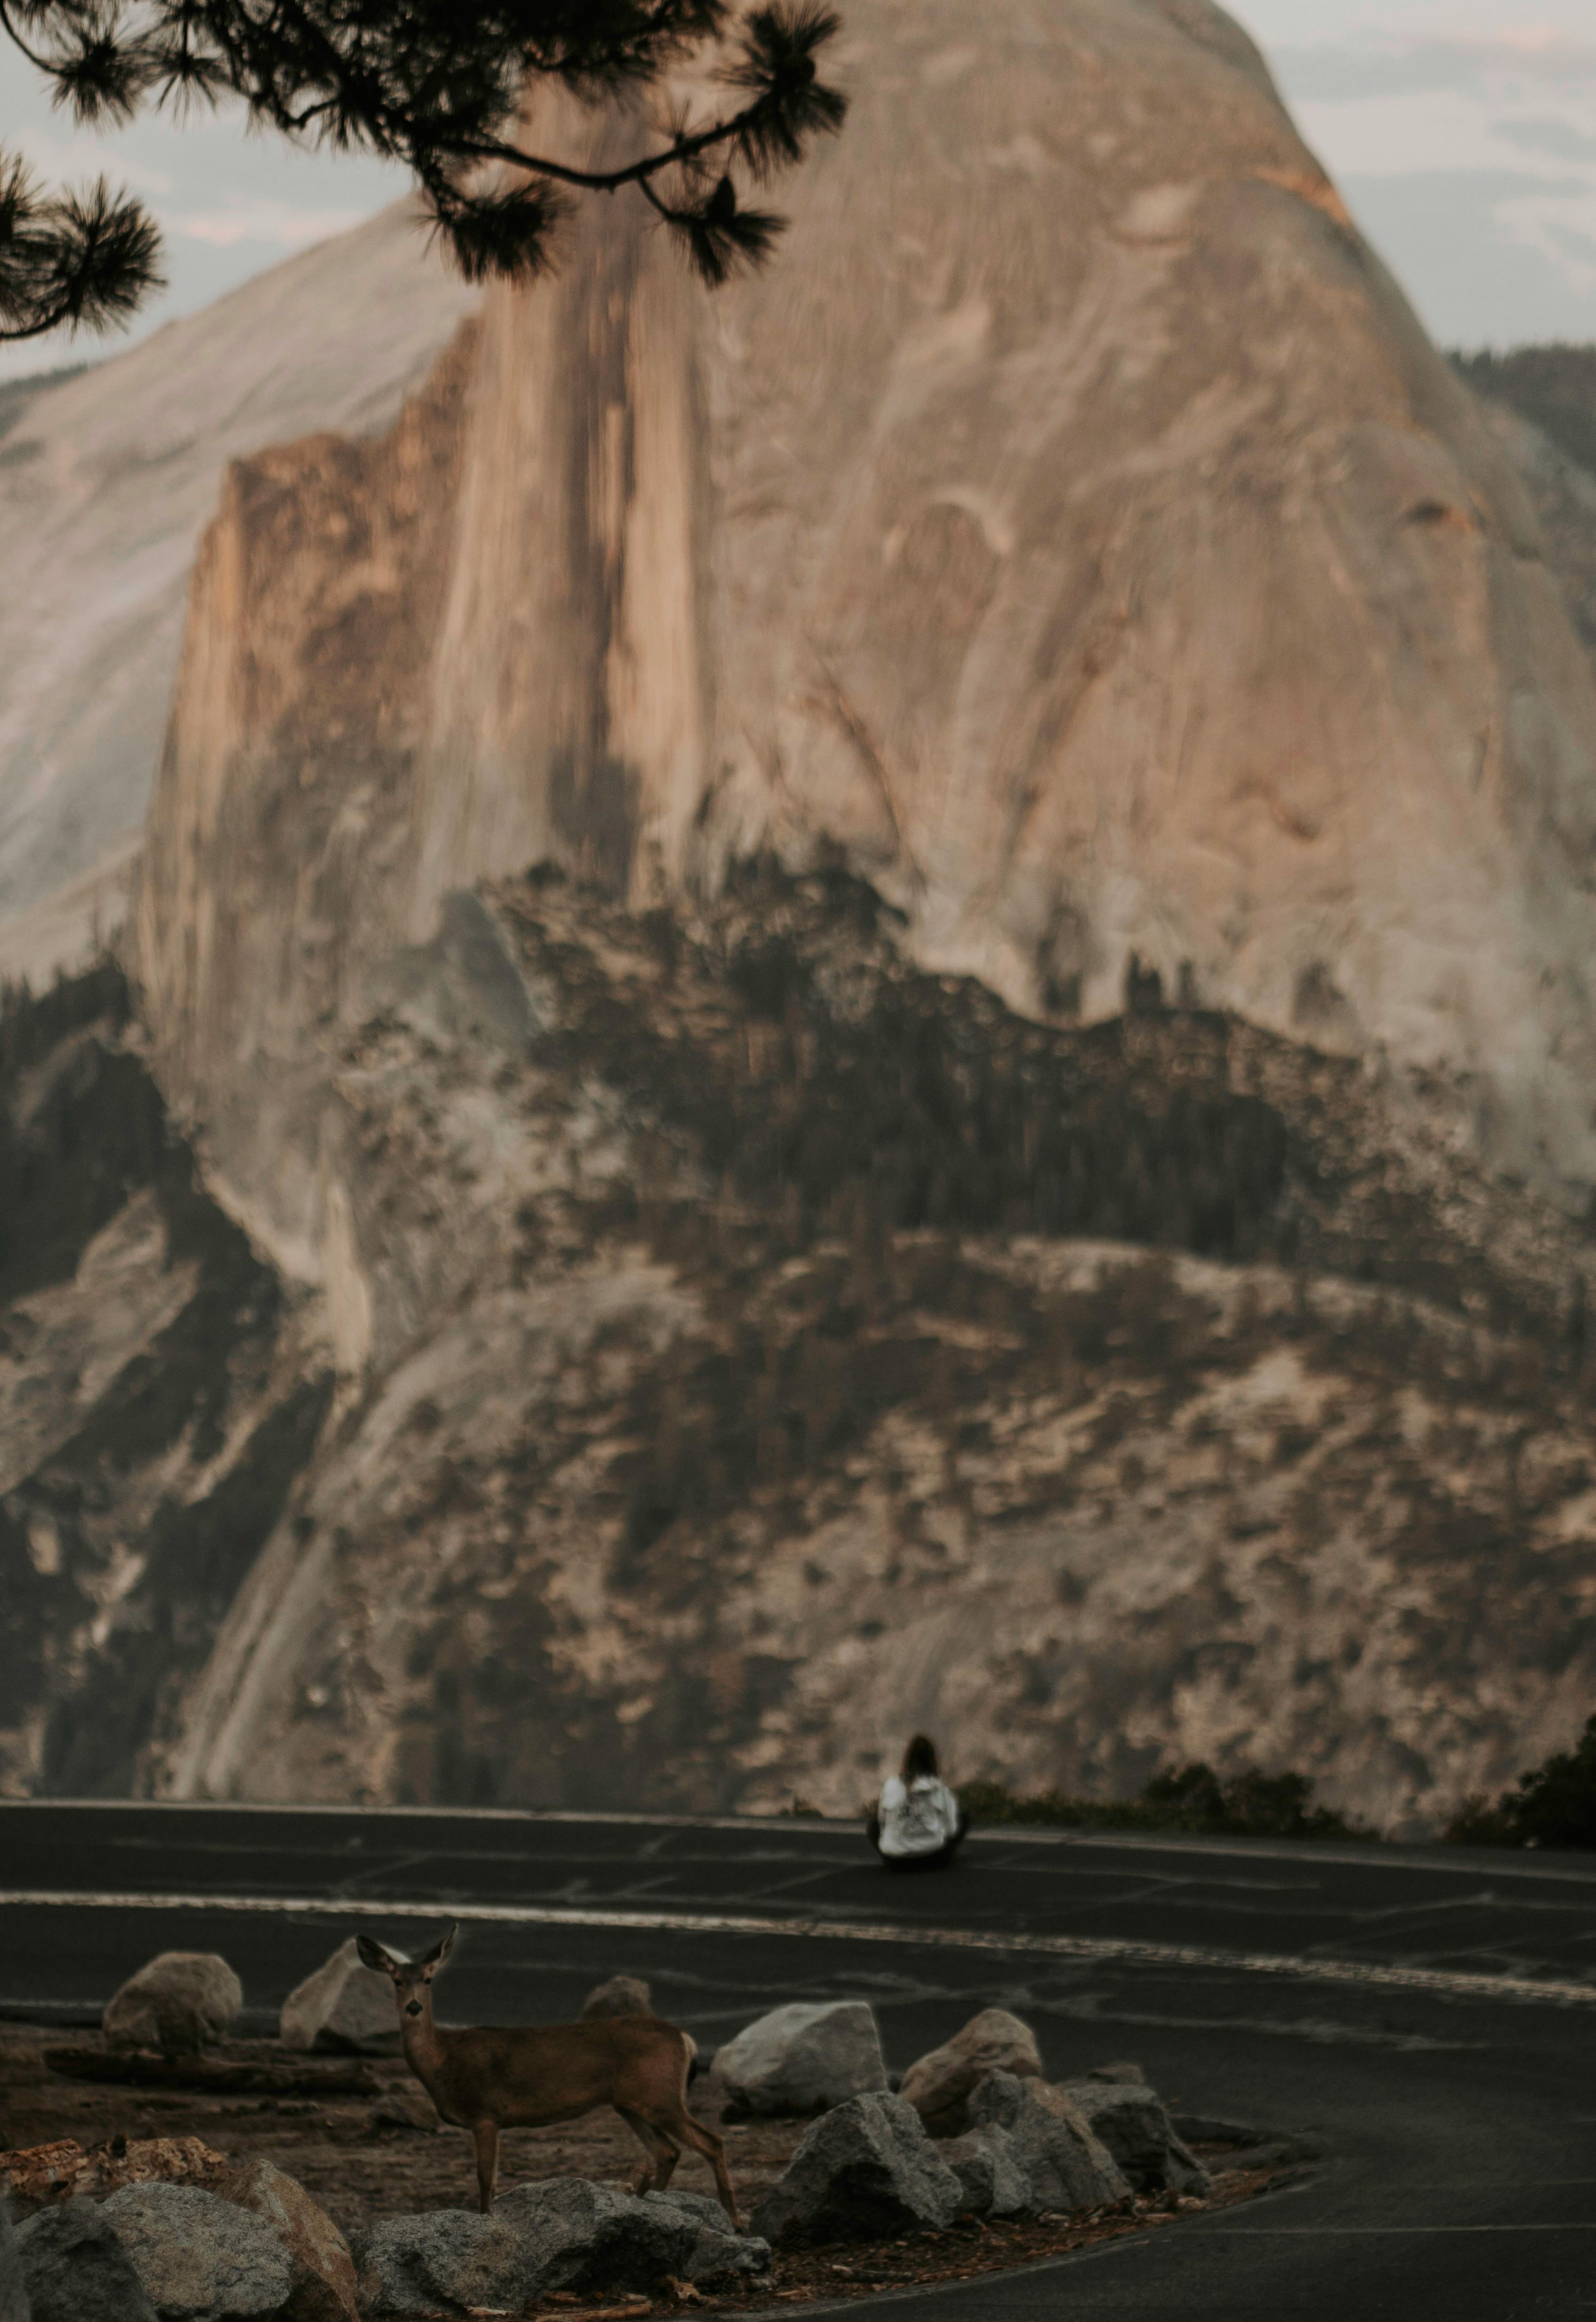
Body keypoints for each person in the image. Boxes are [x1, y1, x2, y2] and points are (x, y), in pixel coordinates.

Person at [866, 1736, 965, 1870]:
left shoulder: (892, 1784)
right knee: (964, 1819)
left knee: (873, 1826)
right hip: (932, 1858)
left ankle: (894, 1853)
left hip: (896, 1862)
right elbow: (951, 1830)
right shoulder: (939, 1789)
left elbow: (882, 1821)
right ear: (933, 1760)